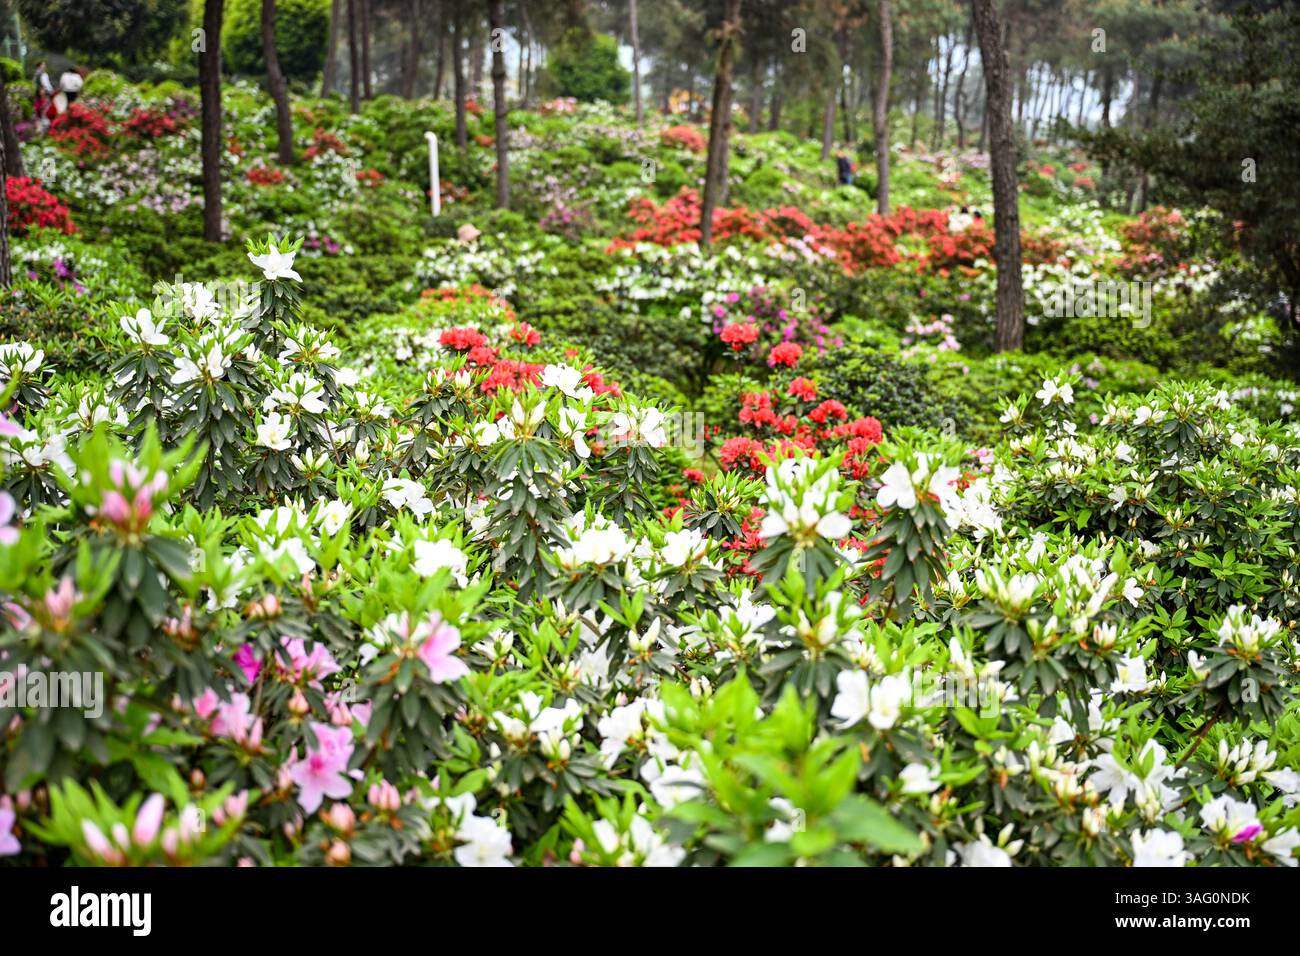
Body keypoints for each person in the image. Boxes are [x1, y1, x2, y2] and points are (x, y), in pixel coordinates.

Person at [33, 61, 54, 130]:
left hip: (39, 91)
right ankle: (44, 121)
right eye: (43, 64)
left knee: (40, 105)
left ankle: (41, 120)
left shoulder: (37, 73)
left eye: (45, 64)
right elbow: (46, 84)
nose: (44, 66)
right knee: (44, 105)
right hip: (43, 91)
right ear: (39, 66)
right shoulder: (42, 74)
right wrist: (50, 91)